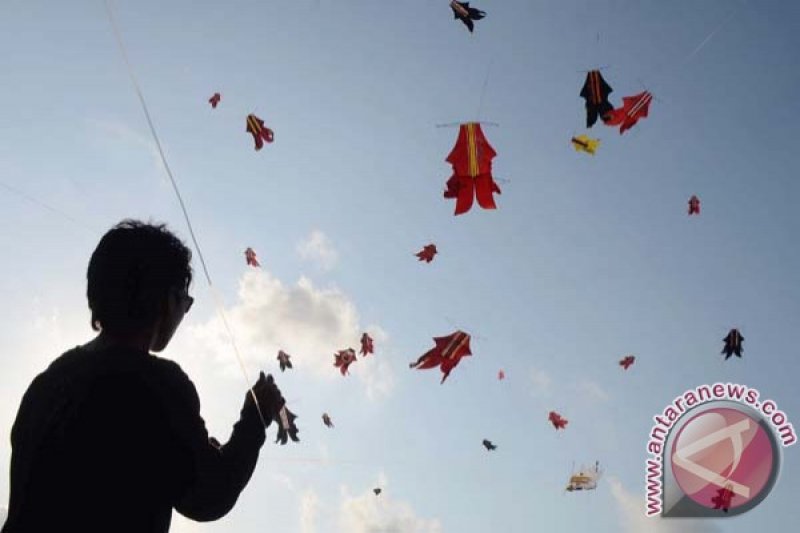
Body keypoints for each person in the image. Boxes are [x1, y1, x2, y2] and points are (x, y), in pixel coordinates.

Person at [2, 219, 286, 532]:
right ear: (167, 300)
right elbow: (208, 495)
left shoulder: (47, 383)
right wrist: (255, 418)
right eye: (185, 301)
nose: (184, 313)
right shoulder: (159, 384)